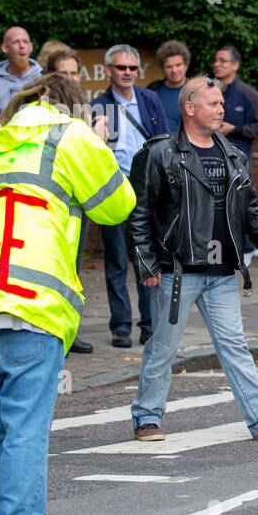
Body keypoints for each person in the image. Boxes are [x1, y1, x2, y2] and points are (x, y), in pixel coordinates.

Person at [0, 72, 136, 515]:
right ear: (72, 105)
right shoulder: (70, 134)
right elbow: (117, 204)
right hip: (33, 305)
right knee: (27, 431)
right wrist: (99, 144)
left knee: (2, 432)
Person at [128, 76, 258, 443]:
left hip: (223, 270)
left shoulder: (233, 154)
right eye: (213, 103)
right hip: (175, 271)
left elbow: (252, 214)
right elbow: (139, 214)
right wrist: (146, 265)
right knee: (162, 346)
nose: (221, 109)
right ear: (189, 108)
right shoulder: (158, 153)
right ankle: (147, 417)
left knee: (234, 346)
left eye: (222, 103)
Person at [90, 44, 170, 347]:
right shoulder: (98, 105)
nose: (127, 73)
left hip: (146, 191)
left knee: (147, 259)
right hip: (115, 191)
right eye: (121, 68)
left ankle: (148, 324)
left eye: (132, 68)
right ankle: (121, 327)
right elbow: (91, 155)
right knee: (117, 261)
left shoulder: (149, 99)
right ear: (109, 70)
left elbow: (164, 141)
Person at [45, 46, 109, 355]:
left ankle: (69, 331)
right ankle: (51, 332)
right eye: (63, 73)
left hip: (76, 205)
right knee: (51, 268)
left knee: (73, 270)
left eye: (74, 72)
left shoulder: (83, 110)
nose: (70, 79)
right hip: (48, 205)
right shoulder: (41, 111)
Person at [211, 45, 258, 160]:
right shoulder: (207, 91)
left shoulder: (249, 94)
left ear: (235, 65)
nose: (216, 64)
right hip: (210, 160)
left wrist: (234, 129)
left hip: (238, 164)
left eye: (222, 61)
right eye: (215, 60)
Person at [148, 40, 191, 136]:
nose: (174, 70)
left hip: (186, 148)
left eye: (178, 65)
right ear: (162, 68)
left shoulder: (195, 91)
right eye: (169, 66)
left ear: (186, 65)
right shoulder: (153, 89)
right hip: (158, 147)